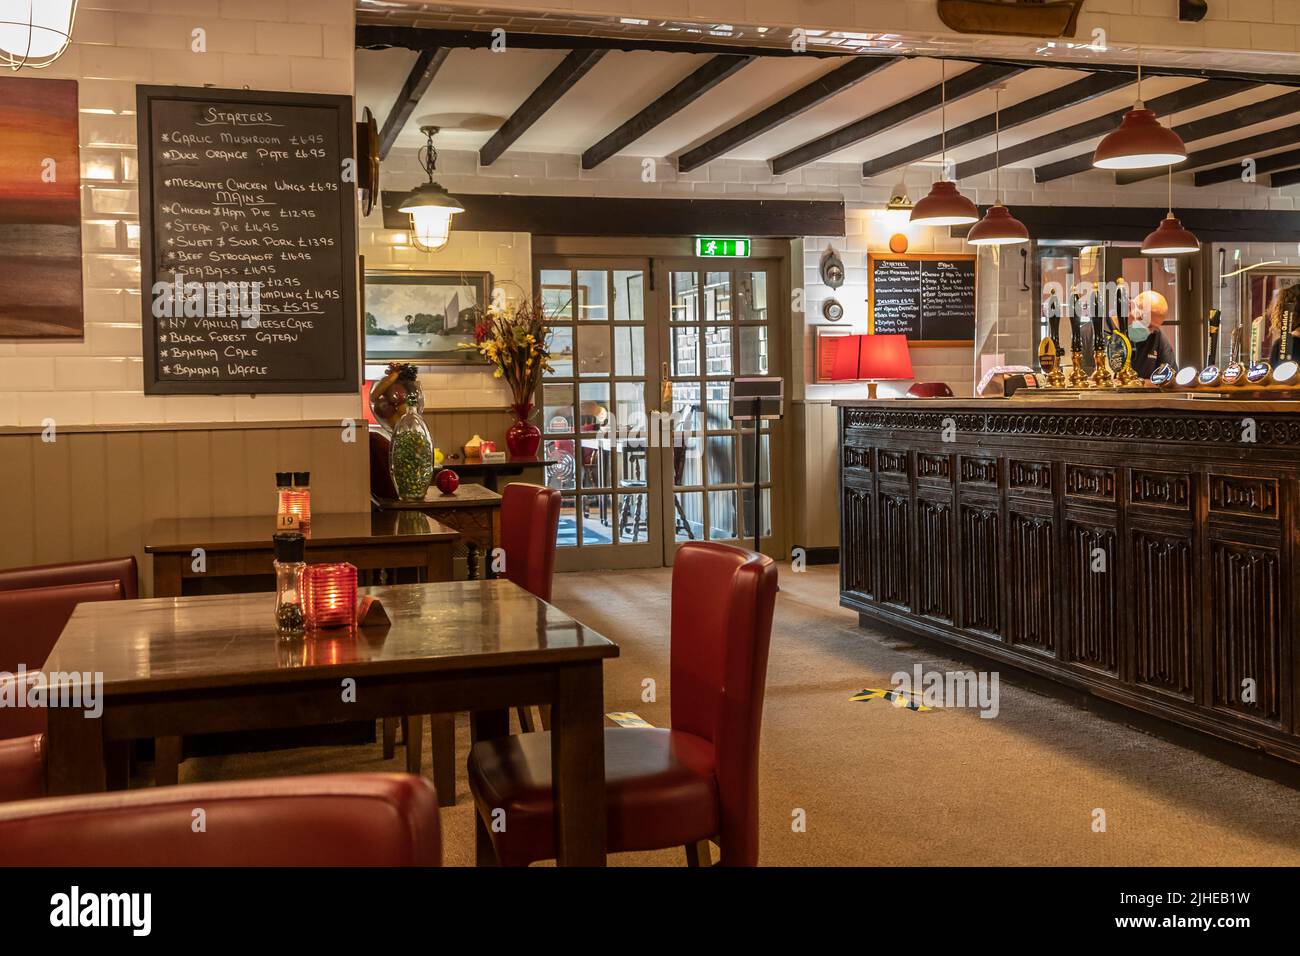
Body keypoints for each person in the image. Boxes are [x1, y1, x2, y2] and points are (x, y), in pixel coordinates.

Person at [1129, 289, 1176, 379]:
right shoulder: (1104, 331)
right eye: (1147, 324)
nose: (1148, 331)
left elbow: (1170, 379)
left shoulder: (1156, 335)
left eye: (1154, 327)